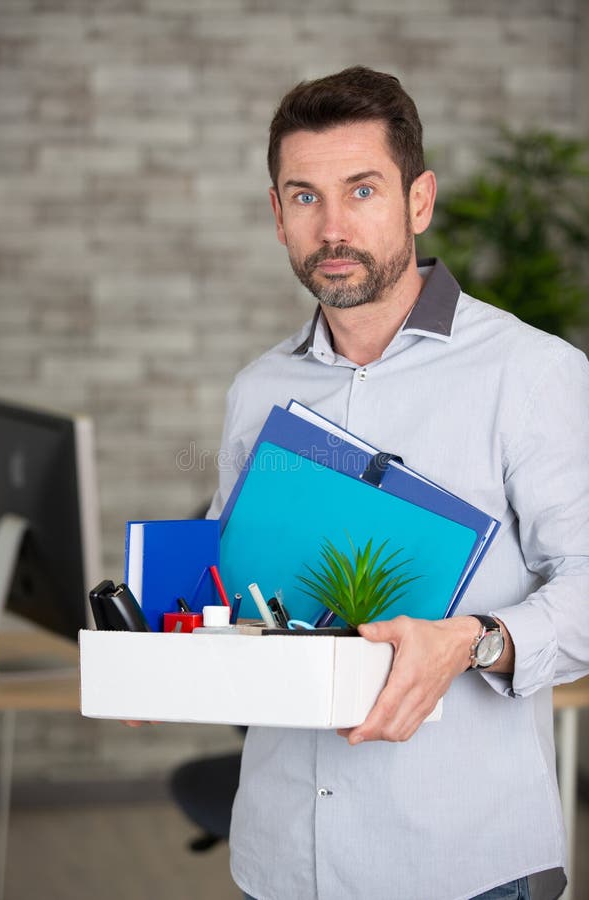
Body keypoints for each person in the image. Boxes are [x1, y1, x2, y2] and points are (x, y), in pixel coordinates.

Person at [207, 66, 589, 900]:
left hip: (461, 863)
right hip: (280, 858)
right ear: (277, 216)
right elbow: (230, 588)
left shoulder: (533, 374)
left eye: (363, 190)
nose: (333, 226)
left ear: (418, 202)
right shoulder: (258, 390)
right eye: (304, 196)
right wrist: (167, 656)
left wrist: (470, 639)